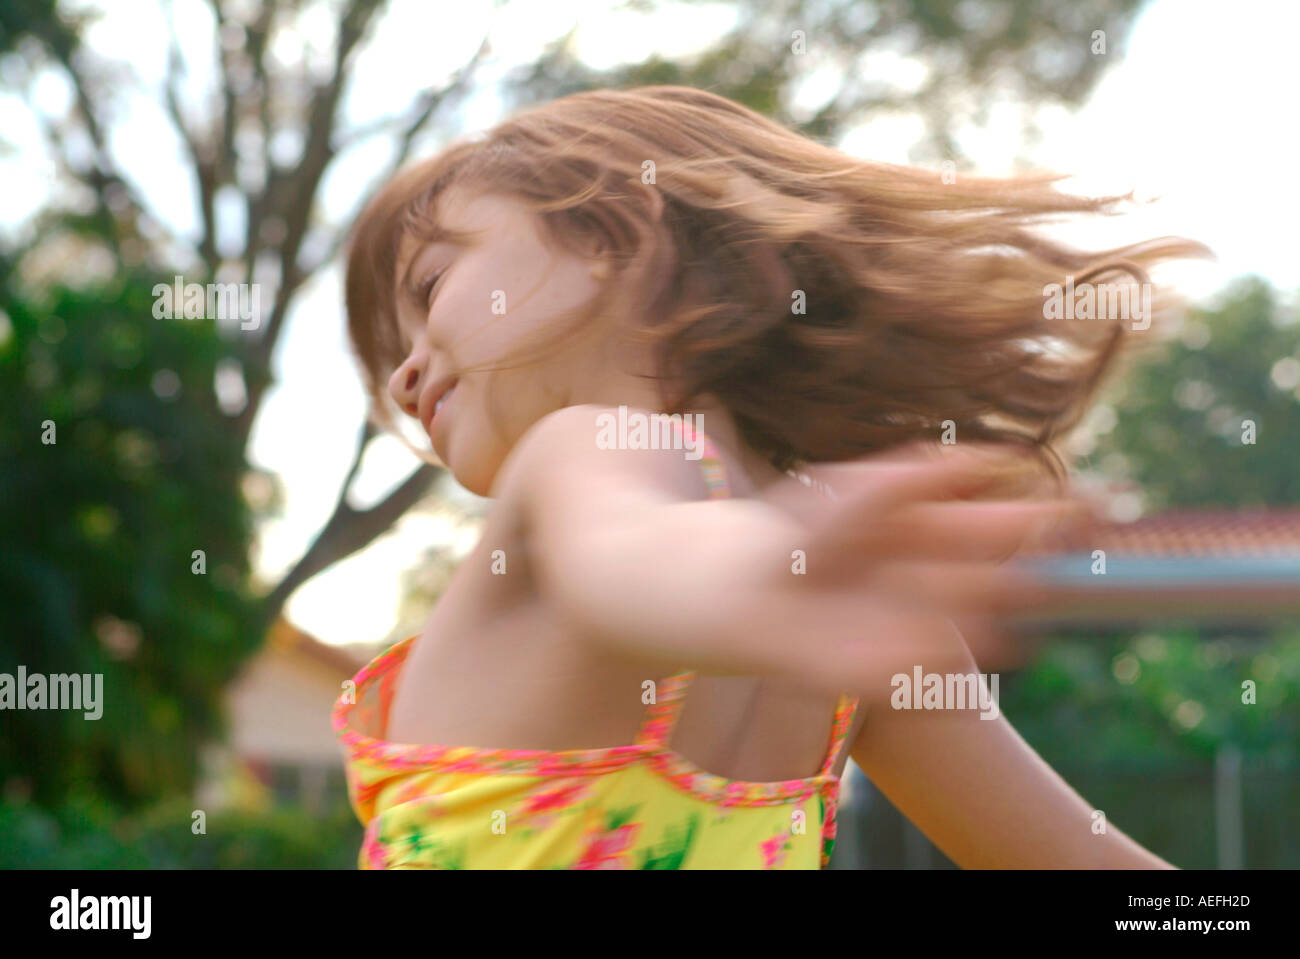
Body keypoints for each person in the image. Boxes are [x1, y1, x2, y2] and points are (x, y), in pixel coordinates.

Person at [332, 86, 1205, 869]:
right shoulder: (818, 606)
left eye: (434, 284)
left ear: (613, 232)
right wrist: (767, 565)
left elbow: (639, 546)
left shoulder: (587, 447)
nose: (406, 378)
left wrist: (763, 568)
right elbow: (637, 550)